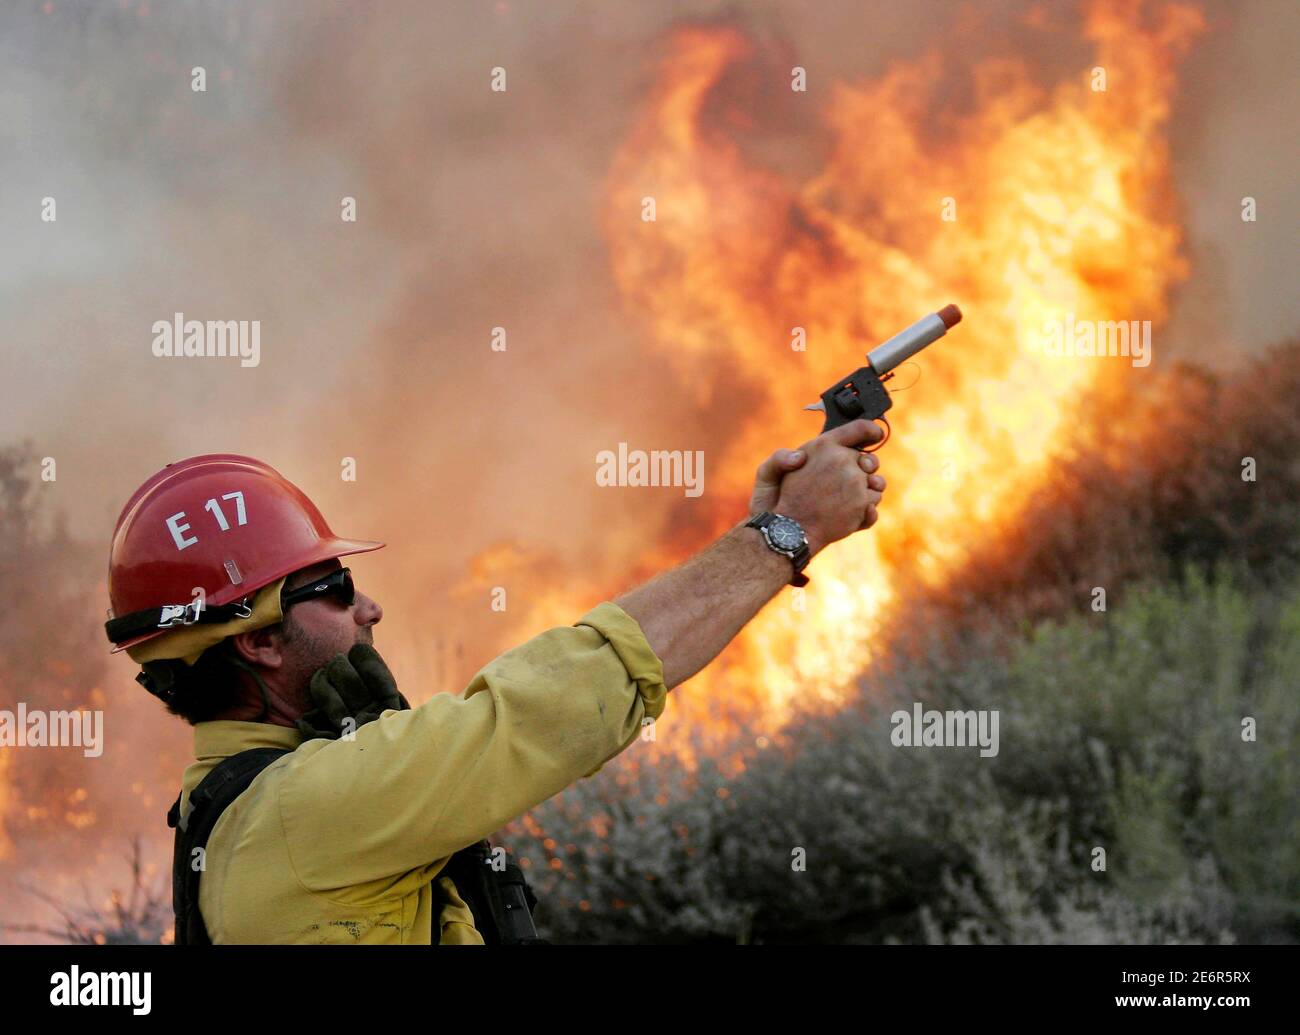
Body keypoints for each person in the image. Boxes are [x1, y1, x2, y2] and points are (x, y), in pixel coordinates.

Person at [104, 419, 886, 944]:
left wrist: (763, 541)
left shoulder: (237, 809)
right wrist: (787, 533)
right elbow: (569, 692)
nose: (369, 607)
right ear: (263, 640)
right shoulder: (312, 807)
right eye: (335, 587)